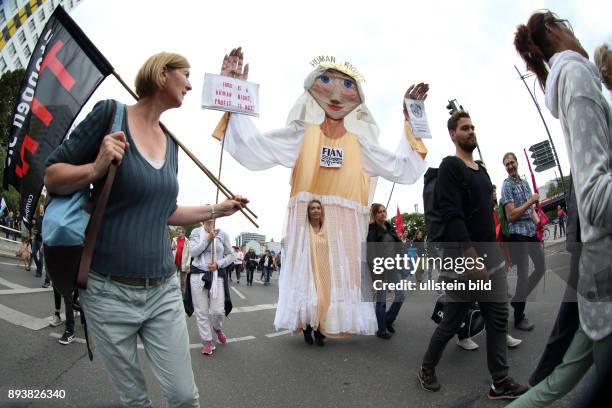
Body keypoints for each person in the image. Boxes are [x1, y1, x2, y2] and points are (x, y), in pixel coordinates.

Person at [43, 51, 248, 407]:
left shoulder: (172, 146)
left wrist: (219, 209)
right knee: (135, 399)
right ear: (162, 74)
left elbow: (166, 211)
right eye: (185, 74)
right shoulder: (110, 114)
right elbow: (51, 176)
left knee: (184, 396)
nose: (189, 83)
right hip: (107, 292)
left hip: (163, 291)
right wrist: (95, 167)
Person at [216, 48, 427, 336]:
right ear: (312, 91)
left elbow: (403, 167)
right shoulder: (303, 135)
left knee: (337, 278)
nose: (337, 96)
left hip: (343, 230)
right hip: (309, 222)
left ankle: (324, 321)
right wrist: (233, 93)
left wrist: (413, 119)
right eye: (326, 82)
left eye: (348, 86)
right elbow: (252, 146)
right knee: (309, 277)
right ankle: (309, 321)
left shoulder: (360, 145)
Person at [507, 10, 612, 407]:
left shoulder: (571, 77)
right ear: (554, 29)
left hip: (597, 264)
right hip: (602, 263)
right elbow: (596, 196)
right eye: (567, 23)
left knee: (562, 378)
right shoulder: (577, 74)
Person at [417, 111, 527, 400]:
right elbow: (452, 215)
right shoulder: (450, 166)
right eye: (465, 128)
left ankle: (499, 382)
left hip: (490, 257)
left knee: (498, 319)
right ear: (453, 134)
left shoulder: (481, 169)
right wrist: (471, 256)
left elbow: (486, 217)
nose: (471, 131)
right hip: (465, 259)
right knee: (452, 320)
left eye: (473, 127)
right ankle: (426, 368)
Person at [500, 152, 546, 331]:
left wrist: (539, 222)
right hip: (517, 235)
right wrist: (530, 201)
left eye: (512, 162)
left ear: (517, 163)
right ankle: (519, 317)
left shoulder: (525, 183)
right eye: (507, 164)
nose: (510, 166)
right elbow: (511, 215)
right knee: (523, 274)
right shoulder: (506, 186)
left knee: (541, 267)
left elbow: (532, 210)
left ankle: (519, 299)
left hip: (530, 232)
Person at [188, 220, 233, 356]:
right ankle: (207, 341)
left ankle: (217, 328)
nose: (210, 219)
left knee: (218, 310)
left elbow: (231, 255)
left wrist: (219, 264)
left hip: (216, 274)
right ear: (202, 220)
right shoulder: (196, 232)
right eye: (206, 216)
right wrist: (207, 239)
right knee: (201, 311)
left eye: (212, 217)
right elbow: (193, 252)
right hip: (198, 275)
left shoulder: (222, 234)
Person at [367, 203, 405, 340]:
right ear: (374, 214)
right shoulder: (372, 231)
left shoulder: (390, 227)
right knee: (381, 301)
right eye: (379, 212)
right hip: (380, 270)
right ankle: (381, 329)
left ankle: (388, 319)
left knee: (401, 295)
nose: (383, 213)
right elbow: (370, 256)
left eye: (384, 211)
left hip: (393, 267)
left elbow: (398, 244)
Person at [301, 199, 329, 346]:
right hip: (308, 273)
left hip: (323, 272)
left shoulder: (326, 230)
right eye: (312, 208)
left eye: (318, 208)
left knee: (323, 302)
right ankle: (307, 330)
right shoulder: (303, 231)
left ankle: (320, 331)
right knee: (311, 303)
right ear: (308, 212)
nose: (316, 210)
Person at [171, 226, 190, 294]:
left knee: (183, 281)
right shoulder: (174, 240)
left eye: (179, 232)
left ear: (183, 233)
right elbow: (170, 250)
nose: (178, 233)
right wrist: (171, 248)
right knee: (173, 279)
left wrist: (188, 263)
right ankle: (174, 294)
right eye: (177, 232)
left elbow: (189, 254)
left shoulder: (187, 241)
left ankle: (183, 296)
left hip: (183, 263)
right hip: (175, 263)